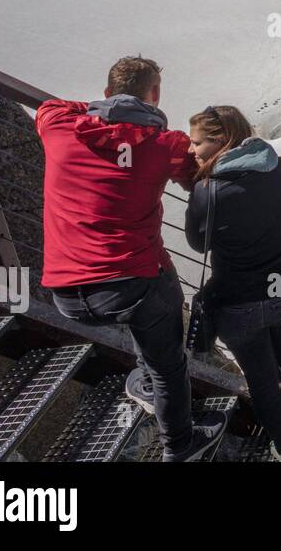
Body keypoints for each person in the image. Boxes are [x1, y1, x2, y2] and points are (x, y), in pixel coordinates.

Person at [37, 56, 227, 461]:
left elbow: (54, 106)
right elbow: (199, 174)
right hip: (132, 288)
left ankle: (144, 384)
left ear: (106, 94)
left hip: (65, 296)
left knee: (152, 293)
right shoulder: (166, 145)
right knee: (167, 356)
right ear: (155, 95)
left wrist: (101, 114)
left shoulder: (58, 125)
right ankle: (180, 445)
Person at [184, 105, 281, 462]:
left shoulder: (207, 191)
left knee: (261, 381)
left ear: (219, 141)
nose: (191, 150)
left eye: (197, 143)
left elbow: (199, 243)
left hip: (237, 303)